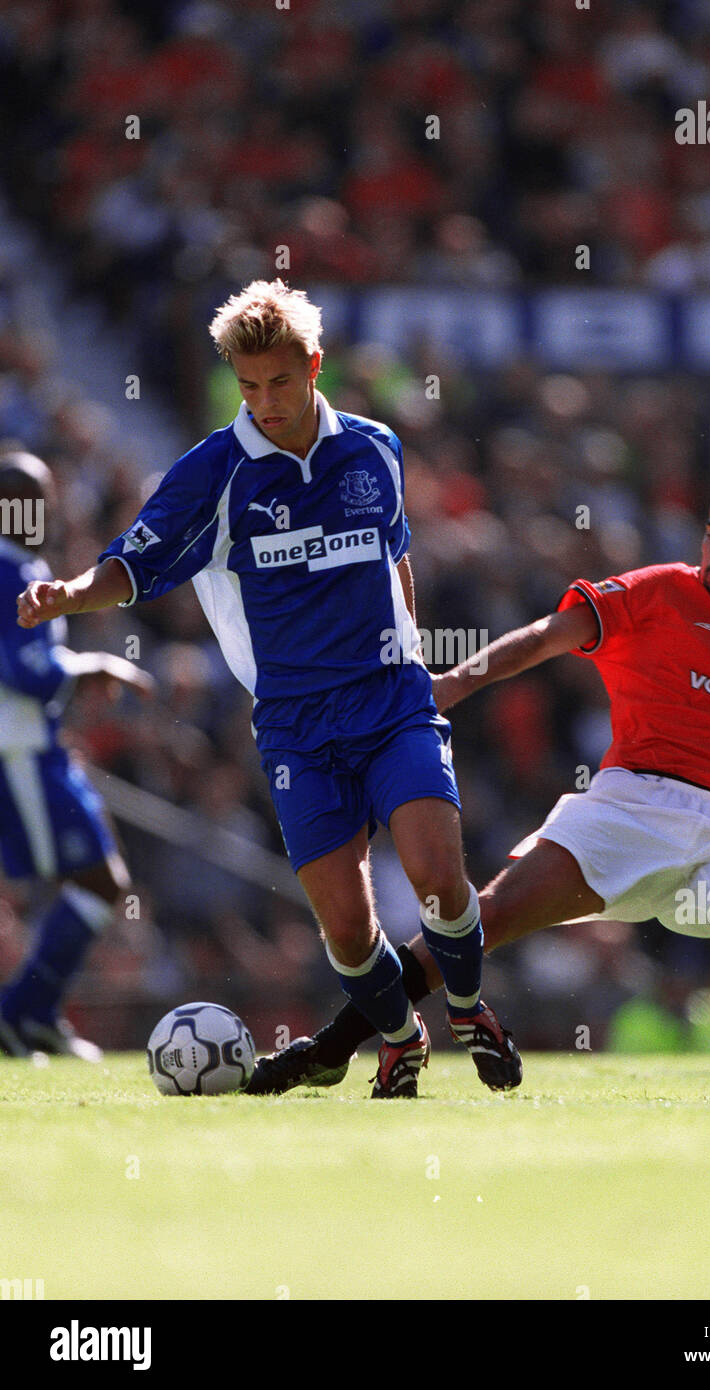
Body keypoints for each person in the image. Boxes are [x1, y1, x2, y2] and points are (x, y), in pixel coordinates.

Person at [16, 281, 519, 1098]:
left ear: (313, 366)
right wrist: (70, 594)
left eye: (278, 383)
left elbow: (393, 557)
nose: (263, 402)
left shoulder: (375, 449)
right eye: (247, 387)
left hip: (391, 698)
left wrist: (415, 653)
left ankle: (467, 1006)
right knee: (348, 929)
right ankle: (400, 1038)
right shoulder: (215, 470)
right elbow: (133, 563)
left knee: (437, 875)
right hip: (294, 720)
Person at [245, 476, 710, 1100]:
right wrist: (451, 685)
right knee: (478, 921)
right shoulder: (660, 591)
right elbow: (549, 634)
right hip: (631, 811)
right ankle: (330, 1047)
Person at [0, 449, 153, 1059]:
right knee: (96, 879)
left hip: (37, 748)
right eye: (27, 499)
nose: (44, 510)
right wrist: (96, 664)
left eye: (45, 498)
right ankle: (22, 1014)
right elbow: (24, 670)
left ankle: (29, 1014)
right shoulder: (7, 572)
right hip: (19, 751)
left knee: (96, 879)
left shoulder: (23, 565)